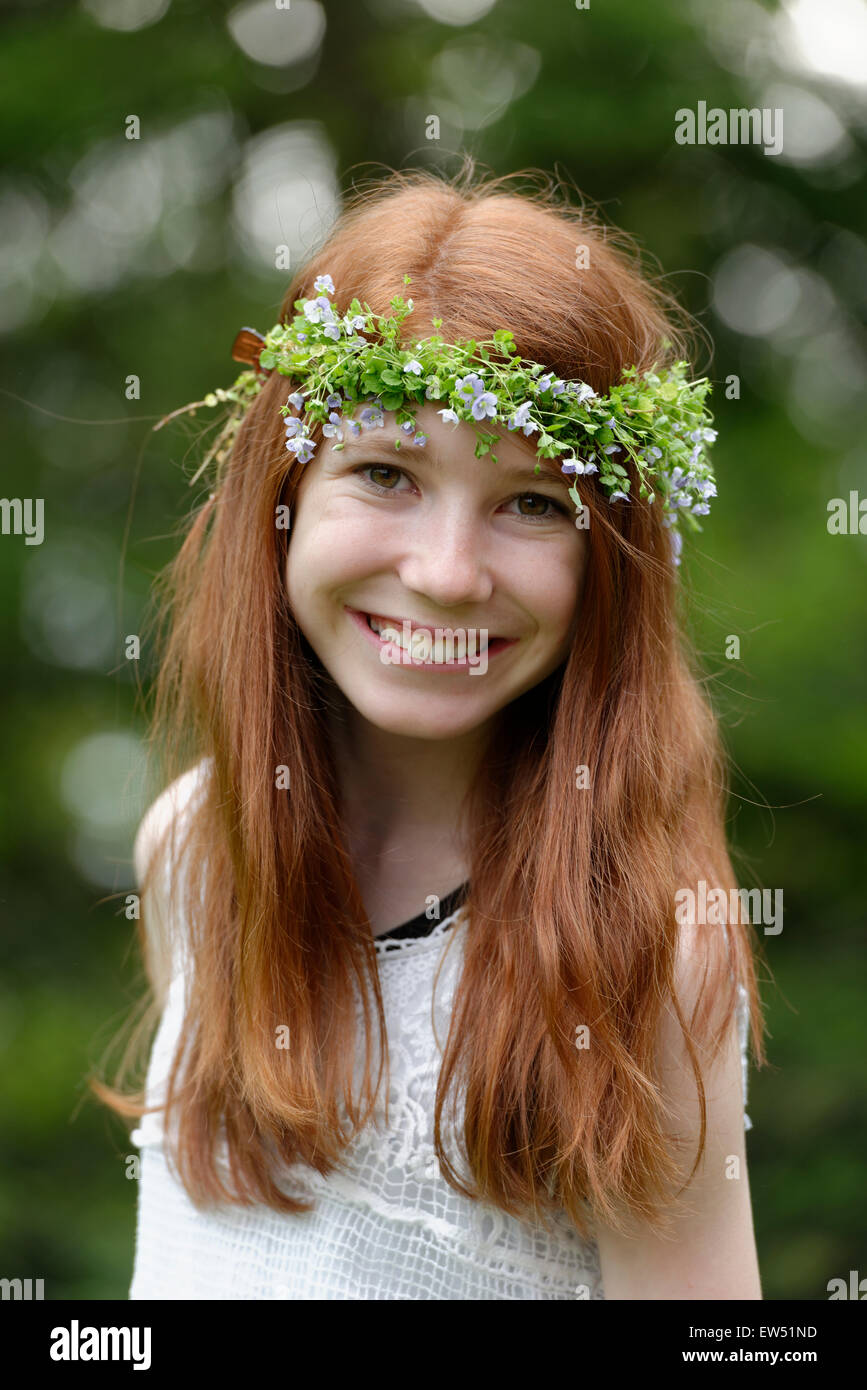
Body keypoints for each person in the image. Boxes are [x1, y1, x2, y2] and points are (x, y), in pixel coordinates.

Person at [94, 162, 766, 1300]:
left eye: (534, 503)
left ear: (613, 563)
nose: (448, 576)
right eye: (385, 473)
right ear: (283, 498)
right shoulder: (194, 850)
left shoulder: (643, 954)